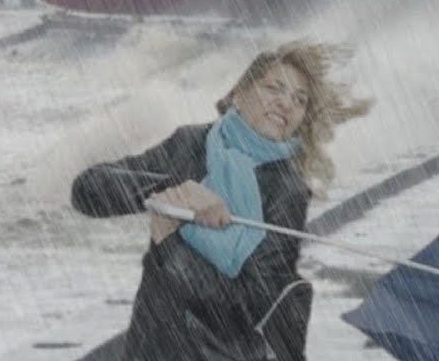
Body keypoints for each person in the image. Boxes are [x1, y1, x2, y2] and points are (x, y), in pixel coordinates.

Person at [71, 41, 369, 361]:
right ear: (240, 93)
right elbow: (87, 192)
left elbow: (245, 307)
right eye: (274, 88)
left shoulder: (287, 191)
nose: (285, 103)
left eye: (300, 100)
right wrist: (179, 193)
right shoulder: (190, 145)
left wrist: (172, 244)